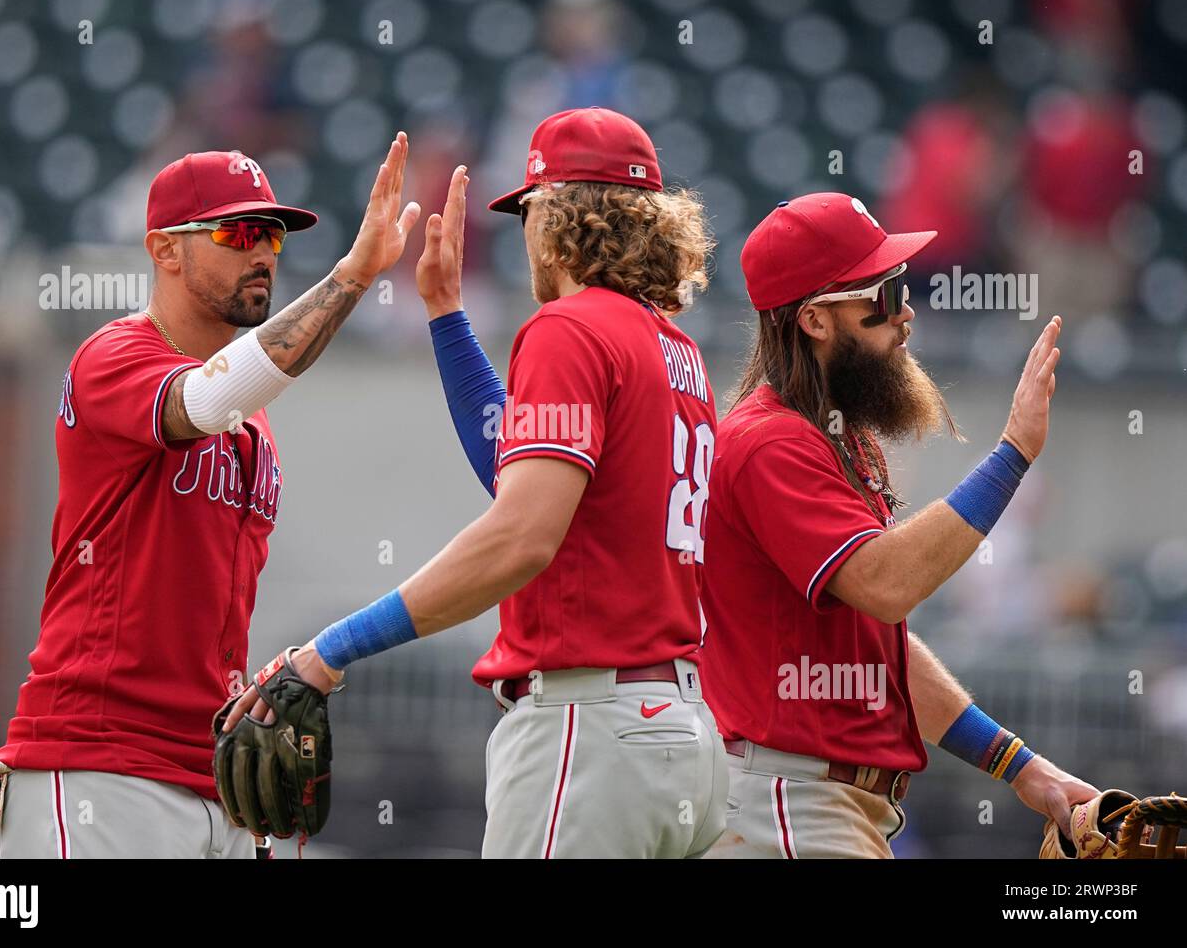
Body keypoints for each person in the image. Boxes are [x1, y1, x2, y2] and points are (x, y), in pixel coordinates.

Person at [223, 107, 728, 858]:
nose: (522, 231)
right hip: (681, 734)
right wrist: (446, 314)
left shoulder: (572, 327)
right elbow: (521, 475)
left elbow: (520, 535)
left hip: (588, 732)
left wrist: (331, 650)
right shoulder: (675, 349)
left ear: (557, 213)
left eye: (525, 208)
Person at [0, 138, 421, 858]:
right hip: (99, 765)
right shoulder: (113, 358)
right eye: (237, 234)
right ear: (165, 250)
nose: (263, 252)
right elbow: (207, 398)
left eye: (271, 234)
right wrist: (354, 277)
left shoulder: (257, 417)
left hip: (214, 775)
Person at [701, 192, 1098, 858]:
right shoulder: (770, 444)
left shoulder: (836, 439)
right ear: (815, 321)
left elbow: (875, 648)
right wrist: (1013, 454)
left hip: (820, 804)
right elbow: (887, 586)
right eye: (881, 296)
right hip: (783, 803)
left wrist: (1020, 767)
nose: (904, 313)